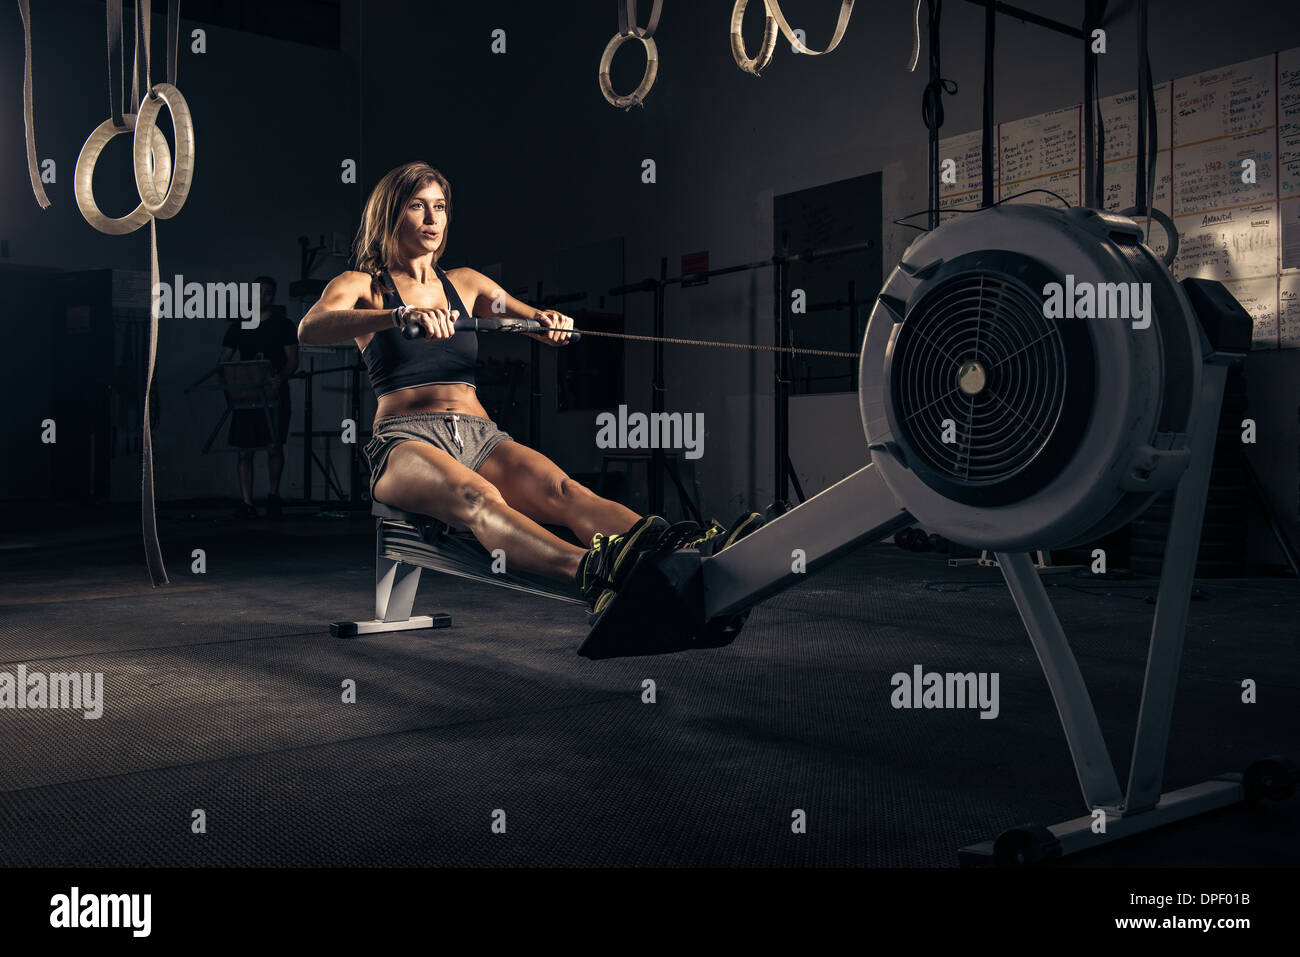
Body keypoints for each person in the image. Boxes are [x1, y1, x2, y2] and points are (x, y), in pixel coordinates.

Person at [298, 161, 761, 621]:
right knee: (476, 497)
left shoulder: (465, 283)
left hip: (478, 433)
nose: (432, 219)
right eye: (418, 206)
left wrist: (551, 324)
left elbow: (534, 321)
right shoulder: (364, 287)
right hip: (404, 440)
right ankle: (595, 571)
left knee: (563, 489)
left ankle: (686, 549)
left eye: (439, 207)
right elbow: (311, 329)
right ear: (391, 214)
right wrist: (398, 316)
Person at [219, 277, 298, 519]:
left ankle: (273, 496)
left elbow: (293, 361)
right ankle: (247, 503)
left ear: (273, 296)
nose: (263, 297)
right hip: (247, 395)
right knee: (245, 451)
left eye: (268, 293)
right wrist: (232, 387)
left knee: (274, 447)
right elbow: (223, 362)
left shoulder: (284, 325)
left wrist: (280, 378)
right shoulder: (239, 326)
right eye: (258, 293)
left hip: (274, 394)